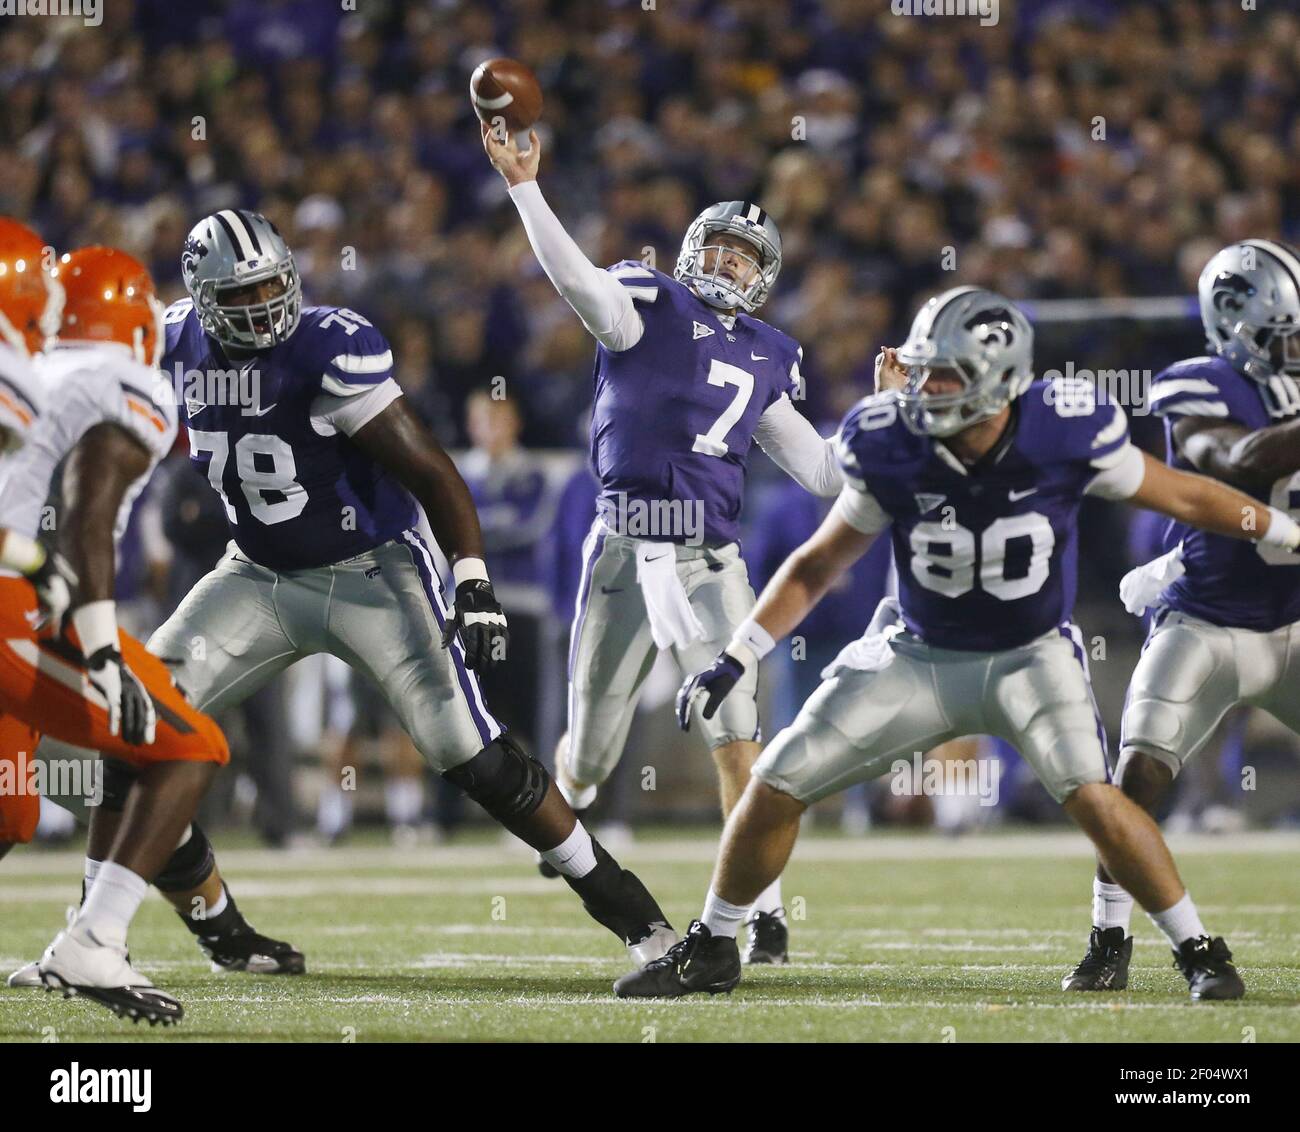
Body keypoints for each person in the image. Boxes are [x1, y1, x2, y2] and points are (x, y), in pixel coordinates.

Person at [612, 286, 1300, 1002]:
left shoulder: (1062, 428)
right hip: (917, 654)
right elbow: (819, 562)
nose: (926, 388)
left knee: (1097, 797)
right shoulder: (889, 437)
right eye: (923, 370)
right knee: (774, 783)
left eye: (946, 376)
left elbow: (1187, 496)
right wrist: (739, 653)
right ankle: (717, 944)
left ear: (1001, 380)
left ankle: (1198, 949)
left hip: (1030, 657)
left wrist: (1287, 534)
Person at [102, 208, 676, 1008]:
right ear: (201, 300)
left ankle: (632, 912)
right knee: (136, 730)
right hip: (257, 574)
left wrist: (472, 584)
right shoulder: (171, 342)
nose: (268, 304)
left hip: (370, 570)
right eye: (245, 293)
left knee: (467, 750)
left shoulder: (329, 345)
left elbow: (434, 471)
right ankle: (218, 928)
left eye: (275, 283)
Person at [485, 125, 845, 964]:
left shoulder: (769, 353)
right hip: (620, 551)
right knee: (594, 745)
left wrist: (891, 420)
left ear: (766, 278)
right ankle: (568, 796)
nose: (725, 264)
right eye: (716, 247)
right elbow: (574, 280)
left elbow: (825, 475)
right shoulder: (643, 303)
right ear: (689, 250)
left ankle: (759, 911)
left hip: (710, 559)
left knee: (736, 731)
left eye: (743, 256)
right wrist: (525, 188)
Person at [0, 237, 262, 1026]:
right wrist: (104, 647)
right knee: (190, 746)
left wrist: (21, 552)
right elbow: (87, 514)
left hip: (24, 591)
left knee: (10, 816)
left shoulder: (36, 372)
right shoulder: (119, 383)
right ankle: (95, 941)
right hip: (18, 611)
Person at [1063, 239, 1300, 990]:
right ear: (1238, 322)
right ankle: (1109, 939)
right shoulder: (1196, 382)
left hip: (1294, 625)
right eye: (1290, 336)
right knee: (1136, 778)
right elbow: (1237, 461)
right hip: (1207, 621)